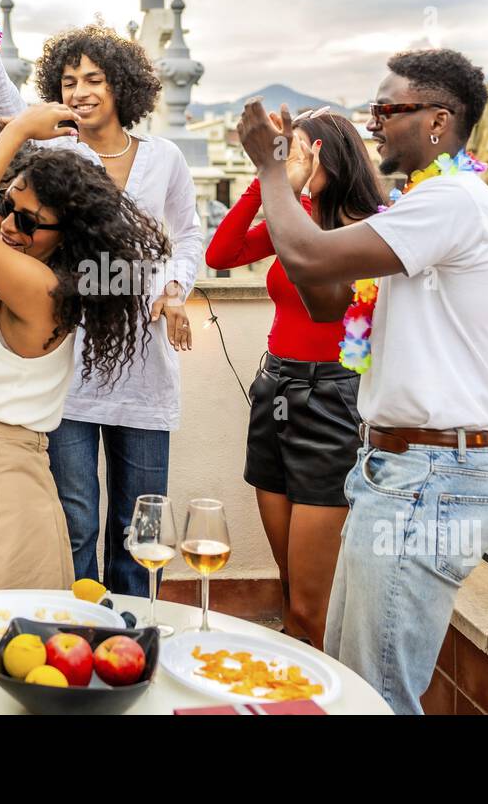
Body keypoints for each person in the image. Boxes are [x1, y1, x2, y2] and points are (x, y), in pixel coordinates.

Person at [0, 0, 203, 595]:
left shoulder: (164, 157)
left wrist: (176, 289)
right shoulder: (50, 151)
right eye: (69, 81)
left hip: (142, 369)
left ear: (123, 89)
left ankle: (134, 654)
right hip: (72, 368)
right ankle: (73, 648)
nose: (78, 91)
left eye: (93, 80)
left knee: (141, 531)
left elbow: (189, 236)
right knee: (73, 523)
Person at [237, 48, 488, 714]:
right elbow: (329, 299)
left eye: (391, 109)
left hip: (428, 477)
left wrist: (270, 168)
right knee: (352, 683)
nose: (376, 122)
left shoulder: (453, 202)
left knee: (375, 698)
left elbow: (304, 254)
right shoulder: (420, 204)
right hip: (397, 469)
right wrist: (300, 193)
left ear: (440, 123)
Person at [0, 111, 170, 590]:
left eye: (30, 222)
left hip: (0, 482)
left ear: (66, 237)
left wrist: (19, 130)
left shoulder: (40, 292)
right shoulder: (5, 277)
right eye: (6, 204)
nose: (8, 224)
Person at [205, 110, 385, 649]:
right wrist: (269, 184)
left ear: (325, 155)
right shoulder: (295, 215)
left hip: (333, 399)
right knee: (290, 590)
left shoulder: (370, 226)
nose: (286, 159)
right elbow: (222, 255)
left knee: (311, 603)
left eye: (296, 149)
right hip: (276, 390)